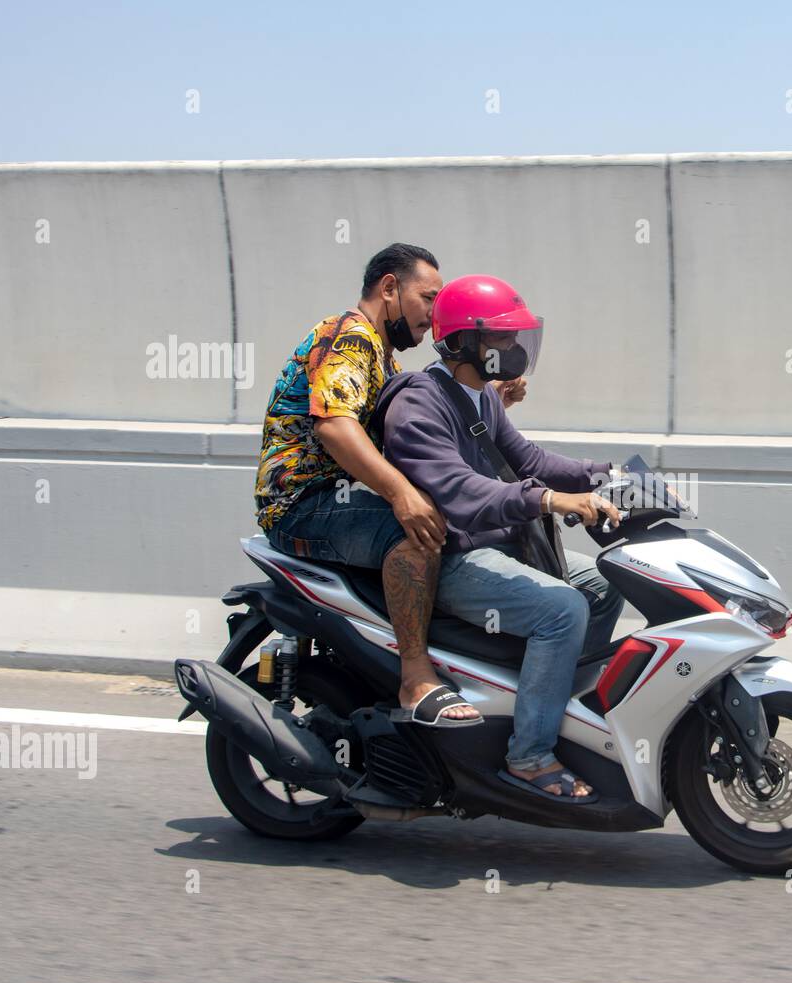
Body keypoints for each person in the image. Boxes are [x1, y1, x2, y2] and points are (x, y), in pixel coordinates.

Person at [374, 274, 625, 801]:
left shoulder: (480, 396)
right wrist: (550, 500)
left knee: (605, 583)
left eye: (517, 339)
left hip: (502, 544)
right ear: (465, 343)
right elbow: (461, 493)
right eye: (502, 339)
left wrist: (611, 476)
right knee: (564, 609)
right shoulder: (419, 404)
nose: (513, 350)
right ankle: (529, 756)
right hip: (457, 557)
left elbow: (530, 461)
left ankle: (555, 708)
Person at [254, 244, 525, 725]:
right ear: (389, 288)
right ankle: (416, 678)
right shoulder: (349, 337)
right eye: (427, 297)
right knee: (416, 531)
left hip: (344, 500)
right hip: (304, 501)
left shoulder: (383, 358)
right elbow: (334, 426)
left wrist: (492, 402)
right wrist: (402, 495)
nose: (433, 314)